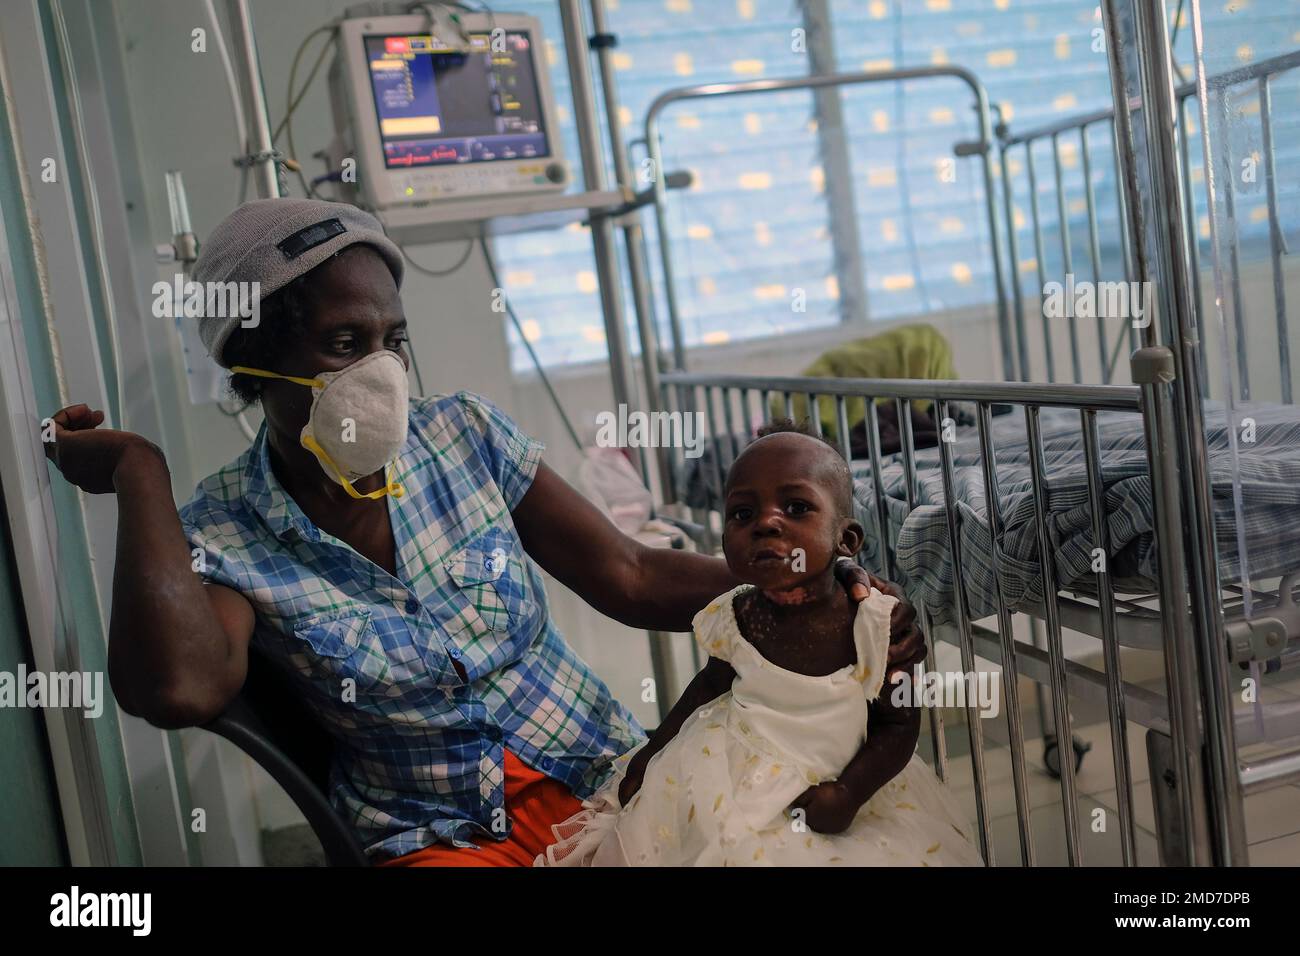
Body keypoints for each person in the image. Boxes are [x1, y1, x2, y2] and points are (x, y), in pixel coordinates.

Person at [42, 197, 928, 866]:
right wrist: (139, 475)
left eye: (394, 340)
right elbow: (181, 690)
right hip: (441, 835)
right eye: (343, 343)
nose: (382, 373)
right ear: (251, 361)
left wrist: (812, 591)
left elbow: (625, 573)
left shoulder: (462, 436)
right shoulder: (232, 533)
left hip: (606, 773)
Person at [537, 420, 982, 866]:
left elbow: (899, 726)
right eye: (743, 514)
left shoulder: (874, 622)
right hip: (731, 774)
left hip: (846, 782)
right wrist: (652, 755)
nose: (767, 522)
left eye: (796, 507)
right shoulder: (738, 613)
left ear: (846, 539)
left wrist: (849, 793)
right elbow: (710, 685)